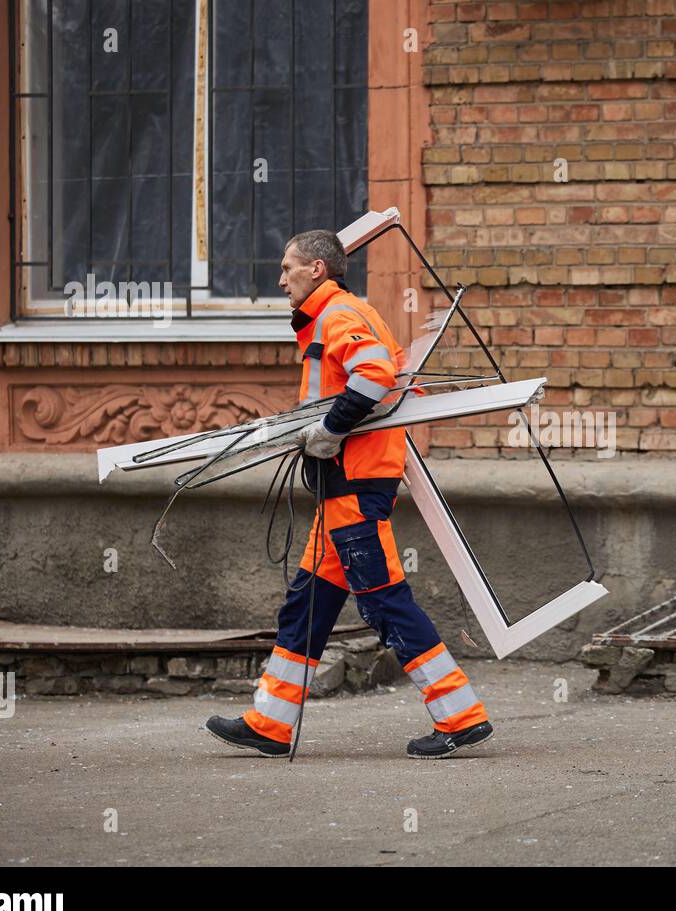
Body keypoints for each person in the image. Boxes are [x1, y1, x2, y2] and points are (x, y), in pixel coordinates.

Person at [205, 229, 493, 759]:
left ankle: (461, 715)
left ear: (317, 269)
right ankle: (270, 722)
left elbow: (375, 376)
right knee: (306, 608)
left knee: (384, 602)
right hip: (344, 488)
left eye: (288, 267)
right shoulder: (341, 315)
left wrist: (331, 429)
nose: (280, 277)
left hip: (355, 486)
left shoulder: (339, 316)